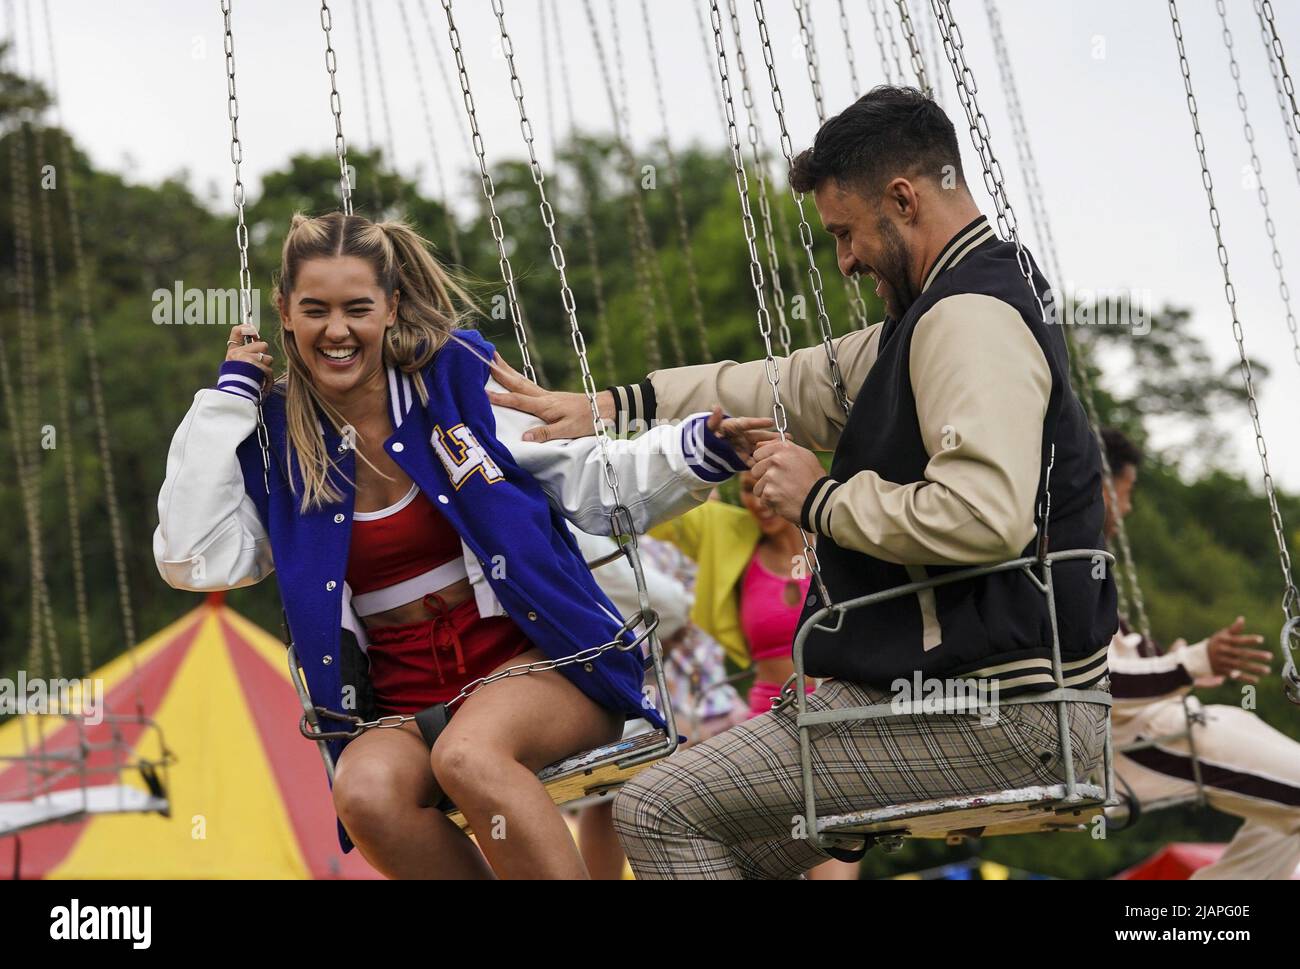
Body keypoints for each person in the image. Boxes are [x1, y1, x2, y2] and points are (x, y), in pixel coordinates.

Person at [488, 85, 1117, 879]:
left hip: (997, 706)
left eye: (846, 233)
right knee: (732, 851)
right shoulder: (938, 314)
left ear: (904, 198)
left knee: (655, 808)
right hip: (973, 695)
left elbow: (984, 515)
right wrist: (615, 404)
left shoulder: (966, 319)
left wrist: (819, 499)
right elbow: (790, 383)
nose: (846, 259)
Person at [152, 211, 768, 879]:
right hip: (405, 696)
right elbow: (192, 556)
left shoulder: (453, 380)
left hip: (537, 664)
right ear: (283, 311)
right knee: (364, 793)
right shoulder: (276, 437)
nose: (337, 330)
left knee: (468, 755)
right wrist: (229, 398)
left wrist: (695, 449)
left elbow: (585, 473)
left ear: (390, 305)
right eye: (315, 309)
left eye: (357, 307)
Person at [1101, 428, 1300, 879]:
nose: (1128, 508)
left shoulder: (1081, 564)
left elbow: (1118, 664)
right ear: (1099, 482)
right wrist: (1191, 663)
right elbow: (1094, 684)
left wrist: (1179, 664)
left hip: (1166, 722)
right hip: (1138, 741)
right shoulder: (1063, 566)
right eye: (1126, 493)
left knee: (1289, 813)